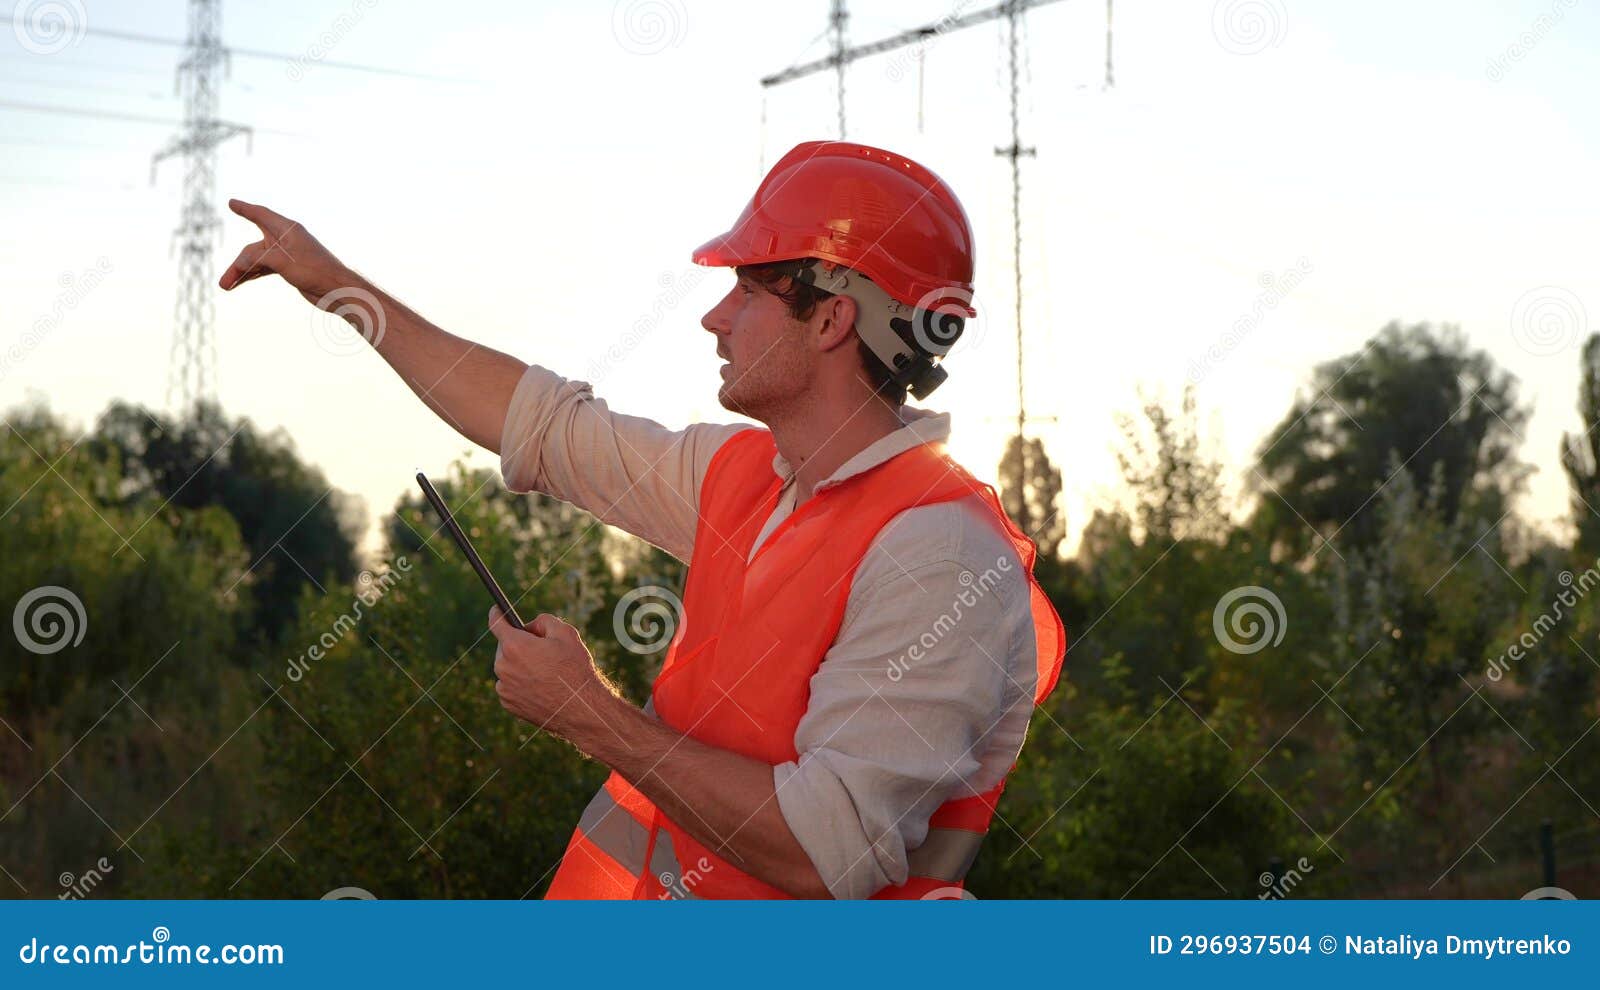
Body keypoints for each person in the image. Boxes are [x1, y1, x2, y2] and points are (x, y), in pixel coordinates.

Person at [219, 140, 1066, 899]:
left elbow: (824, 853)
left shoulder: (939, 553)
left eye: (748, 288)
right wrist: (336, 287)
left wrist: (590, 713)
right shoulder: (743, 477)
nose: (715, 316)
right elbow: (539, 424)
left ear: (833, 316)